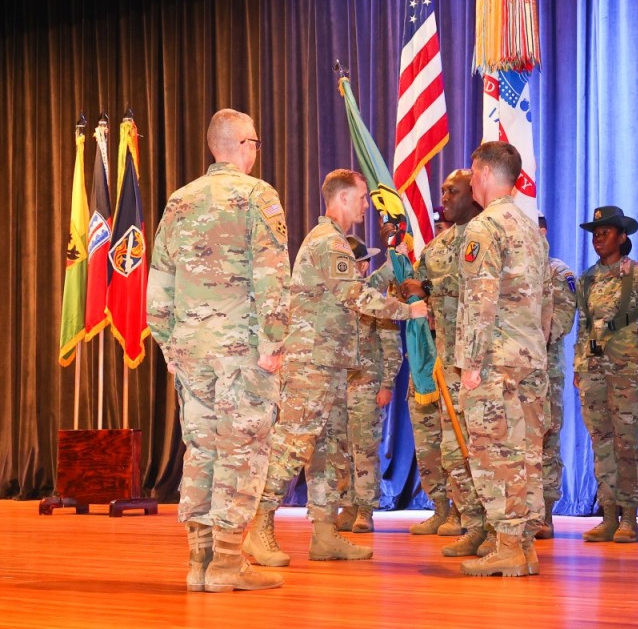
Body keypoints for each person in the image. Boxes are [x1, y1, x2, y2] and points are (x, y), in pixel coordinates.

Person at [244, 169, 427, 567]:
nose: (365, 207)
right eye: (361, 199)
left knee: (326, 453)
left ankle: (325, 535)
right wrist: (408, 311)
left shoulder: (335, 242)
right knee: (293, 446)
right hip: (311, 364)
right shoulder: (330, 243)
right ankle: (258, 529)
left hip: (330, 364)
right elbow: (356, 296)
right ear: (342, 199)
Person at [146, 108, 288, 593]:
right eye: (256, 144)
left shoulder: (179, 201)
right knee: (243, 449)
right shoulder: (257, 196)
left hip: (191, 350)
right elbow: (272, 278)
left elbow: (159, 283)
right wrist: (274, 343)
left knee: (201, 447)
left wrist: (169, 344)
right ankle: (228, 563)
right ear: (245, 144)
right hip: (242, 350)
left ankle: (197, 562)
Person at [454, 141, 551, 577]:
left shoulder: (484, 228)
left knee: (495, 453)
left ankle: (509, 545)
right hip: (531, 357)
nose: (471, 181)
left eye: (473, 174)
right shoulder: (530, 227)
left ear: (488, 174)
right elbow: (546, 301)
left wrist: (470, 365)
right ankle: (523, 546)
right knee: (527, 453)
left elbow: (480, 300)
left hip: (495, 359)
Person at [400, 169, 488, 553]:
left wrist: (430, 287)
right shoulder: (438, 245)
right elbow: (415, 284)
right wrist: (401, 267)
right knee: (449, 451)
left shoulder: (486, 234)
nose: (444, 197)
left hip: (476, 361)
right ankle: (471, 523)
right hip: (441, 360)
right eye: (442, 190)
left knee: (481, 450)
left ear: (474, 192)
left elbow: (477, 282)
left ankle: (496, 528)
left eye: (453, 190)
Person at [574, 206, 638, 544]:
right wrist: (579, 367)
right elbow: (583, 328)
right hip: (593, 374)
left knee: (627, 445)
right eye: (595, 232)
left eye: (606, 231)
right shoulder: (586, 279)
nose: (598, 237)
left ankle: (630, 518)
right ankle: (608, 516)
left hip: (628, 375)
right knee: (602, 444)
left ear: (622, 237)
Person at [334, 236, 402, 534]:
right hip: (338, 386)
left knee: (365, 450)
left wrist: (387, 383)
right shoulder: (335, 295)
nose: (361, 268)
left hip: (367, 385)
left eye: (362, 264)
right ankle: (347, 505)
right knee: (341, 450)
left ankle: (365, 510)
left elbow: (391, 344)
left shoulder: (373, 297)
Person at [535, 212, 577, 540]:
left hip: (547, 371)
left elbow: (563, 318)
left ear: (545, 232)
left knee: (547, 441)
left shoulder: (559, 272)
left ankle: (545, 513)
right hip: (515, 374)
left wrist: (531, 335)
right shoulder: (512, 272)